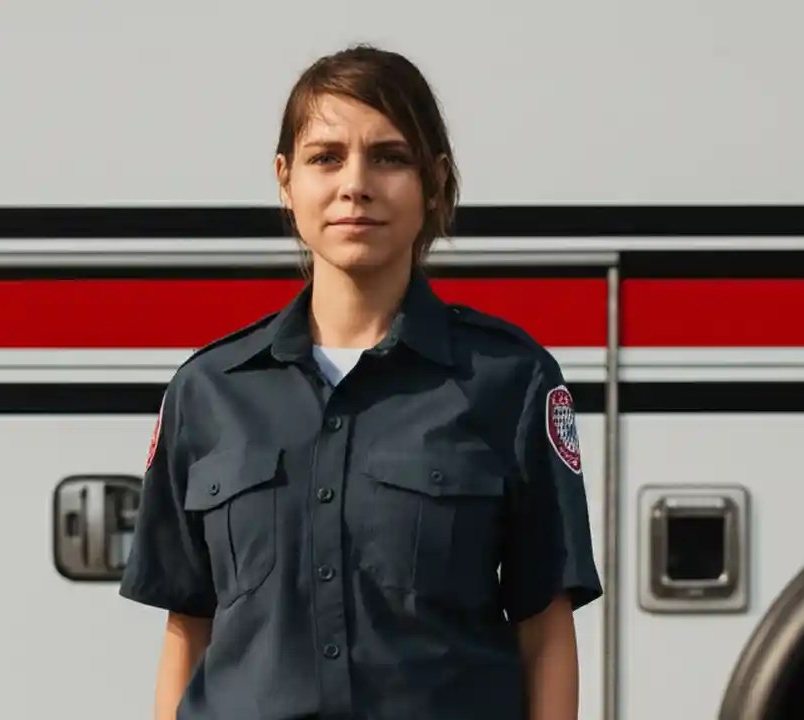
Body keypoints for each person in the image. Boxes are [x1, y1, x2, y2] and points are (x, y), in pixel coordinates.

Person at [119, 44, 603, 720]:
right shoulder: (209, 391)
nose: (356, 184)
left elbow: (545, 629)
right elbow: (187, 628)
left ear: (433, 182)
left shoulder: (510, 382)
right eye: (326, 157)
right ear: (285, 180)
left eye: (389, 156)